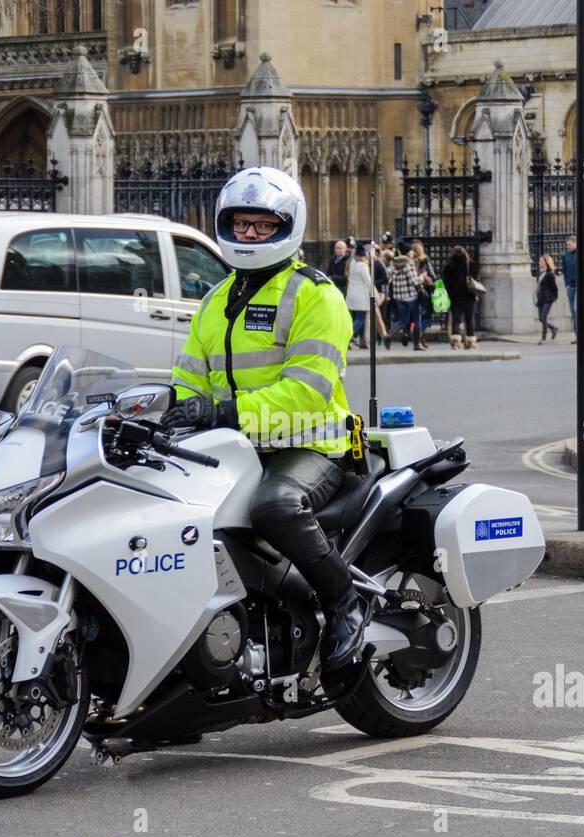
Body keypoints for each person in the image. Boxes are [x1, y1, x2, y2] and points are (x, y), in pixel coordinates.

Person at [163, 166, 366, 671]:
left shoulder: (314, 293)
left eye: (263, 225)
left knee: (275, 506)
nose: (249, 234)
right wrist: (165, 413)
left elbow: (308, 390)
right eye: (240, 223)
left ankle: (346, 602)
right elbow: (188, 378)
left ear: (287, 228)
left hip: (308, 445)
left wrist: (229, 413)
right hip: (232, 448)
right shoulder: (214, 300)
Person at [389, 240, 425, 350]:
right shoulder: (408, 264)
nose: (413, 253)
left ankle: (388, 335)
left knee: (402, 320)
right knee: (417, 319)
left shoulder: (394, 264)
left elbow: (391, 280)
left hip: (399, 297)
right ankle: (416, 344)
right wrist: (422, 277)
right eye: (411, 251)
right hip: (412, 297)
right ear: (407, 253)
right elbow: (415, 281)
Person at [443, 244, 480, 349]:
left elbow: (446, 282)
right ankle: (470, 342)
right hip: (469, 296)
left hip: (454, 297)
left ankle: (455, 342)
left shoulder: (449, 266)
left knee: (456, 319)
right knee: (469, 319)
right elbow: (476, 278)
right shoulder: (470, 264)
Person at [344, 241, 372, 347]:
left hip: (352, 295)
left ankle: (362, 342)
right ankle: (348, 337)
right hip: (361, 297)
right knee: (360, 319)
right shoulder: (362, 265)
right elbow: (368, 281)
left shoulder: (352, 263)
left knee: (358, 318)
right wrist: (376, 296)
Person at [535, 254, 560, 343]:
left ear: (546, 262)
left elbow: (554, 287)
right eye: (539, 261)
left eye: (541, 261)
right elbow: (538, 286)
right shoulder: (539, 272)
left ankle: (543, 338)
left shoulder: (550, 274)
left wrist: (555, 297)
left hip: (548, 298)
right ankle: (554, 328)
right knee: (541, 318)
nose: (539, 263)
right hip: (541, 298)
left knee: (543, 316)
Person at [562, 234, 578, 332]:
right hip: (570, 286)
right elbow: (565, 270)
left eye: (569, 244)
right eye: (567, 245)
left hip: (578, 286)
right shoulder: (565, 255)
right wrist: (566, 283)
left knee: (577, 309)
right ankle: (577, 335)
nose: (568, 247)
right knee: (572, 311)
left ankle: (581, 334)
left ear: (575, 243)